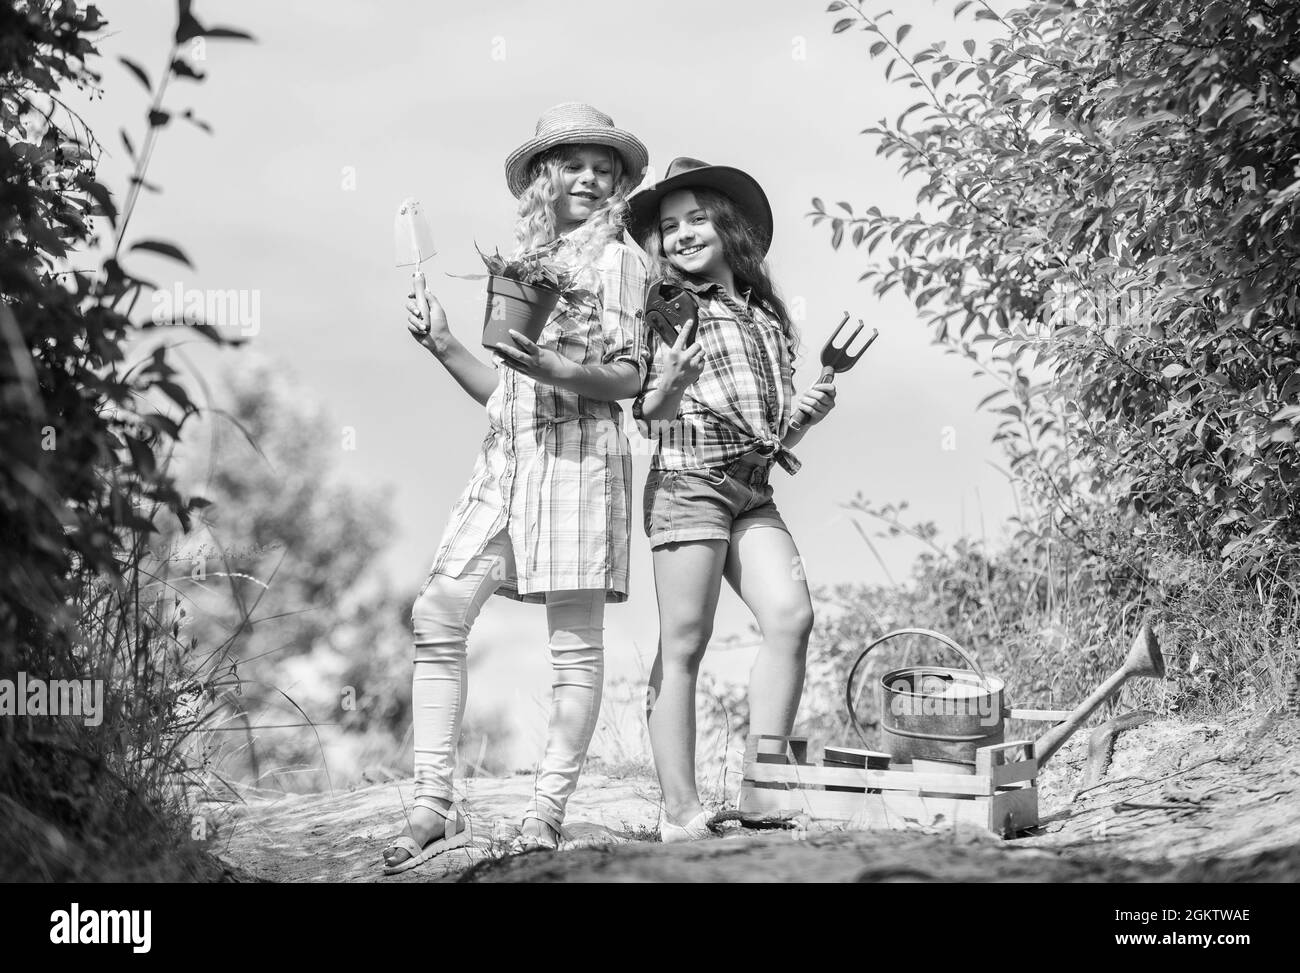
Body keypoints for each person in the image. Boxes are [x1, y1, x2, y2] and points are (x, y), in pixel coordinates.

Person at [382, 104, 650, 872]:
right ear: (545, 176)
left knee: (573, 646)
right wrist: (442, 345)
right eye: (574, 163)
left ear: (619, 182)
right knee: (436, 610)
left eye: (605, 167)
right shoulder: (528, 263)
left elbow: (631, 376)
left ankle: (544, 811)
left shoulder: (620, 261)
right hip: (506, 461)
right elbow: (506, 390)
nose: (591, 177)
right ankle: (434, 803)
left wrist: (556, 370)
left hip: (578, 461)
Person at [627, 158, 838, 841]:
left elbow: (772, 434)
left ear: (729, 226)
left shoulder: (767, 321)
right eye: (668, 226)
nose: (682, 233)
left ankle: (764, 787)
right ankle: (680, 808)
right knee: (685, 643)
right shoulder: (668, 309)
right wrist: (669, 384)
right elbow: (648, 413)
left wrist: (807, 413)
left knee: (791, 616)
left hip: (752, 490)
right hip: (688, 484)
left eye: (696, 218)